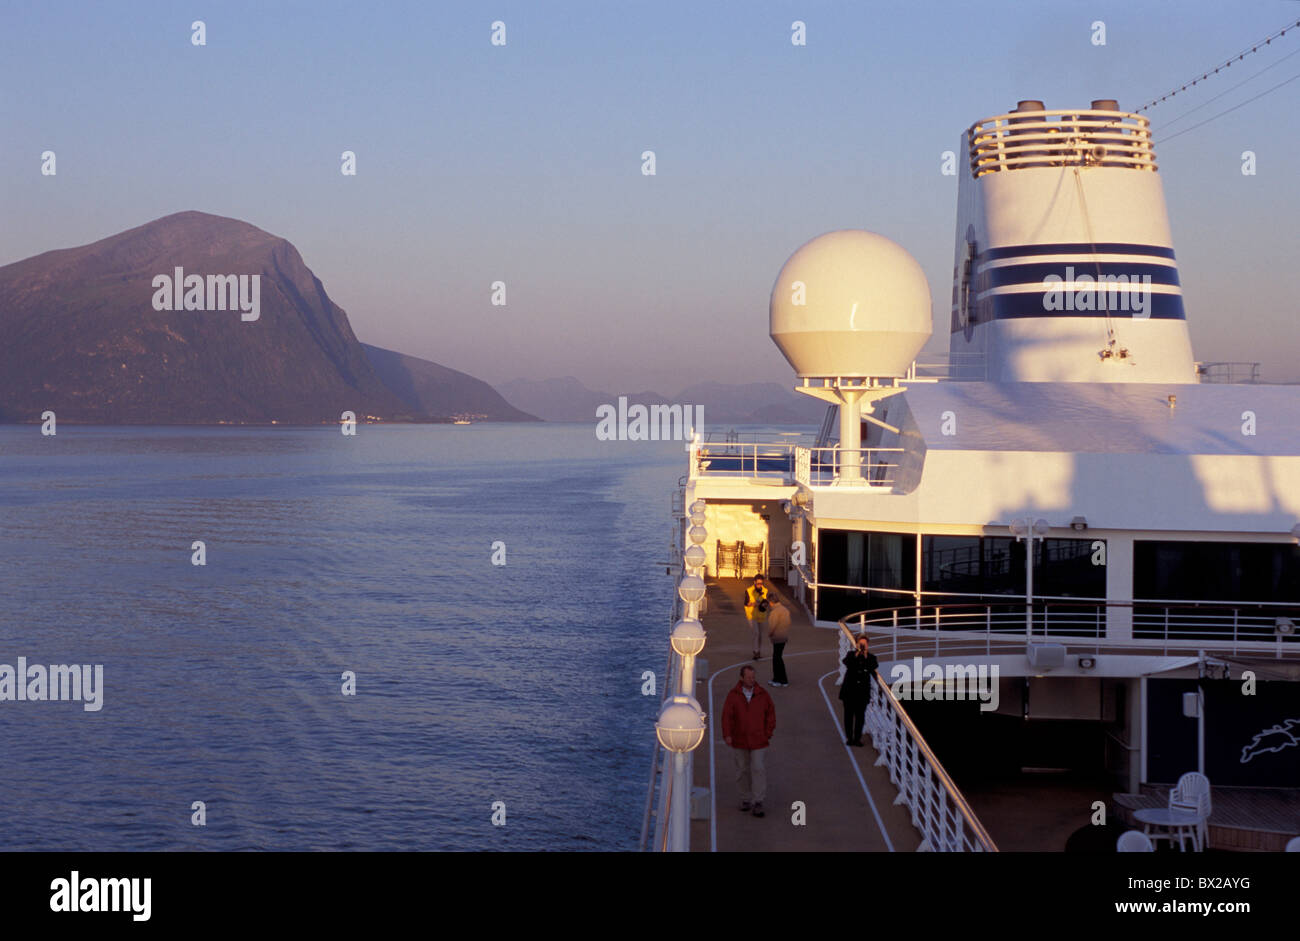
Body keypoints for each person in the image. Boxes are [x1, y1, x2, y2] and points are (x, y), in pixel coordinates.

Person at [721, 665, 776, 817]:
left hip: (759, 740)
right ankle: (745, 799)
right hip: (740, 739)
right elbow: (726, 716)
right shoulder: (733, 695)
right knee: (742, 770)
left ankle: (758, 801)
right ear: (742, 678)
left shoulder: (763, 695)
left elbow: (771, 714)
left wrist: (767, 733)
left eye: (753, 677)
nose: (752, 680)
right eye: (749, 677)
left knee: (758, 768)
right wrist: (727, 734)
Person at [839, 633, 878, 746]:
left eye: (865, 644)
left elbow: (873, 666)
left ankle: (857, 738)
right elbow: (847, 663)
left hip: (862, 693)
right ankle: (849, 738)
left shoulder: (871, 657)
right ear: (856, 644)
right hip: (849, 691)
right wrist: (857, 653)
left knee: (860, 717)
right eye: (861, 644)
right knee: (848, 716)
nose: (863, 646)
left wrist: (865, 655)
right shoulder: (851, 654)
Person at [766, 596, 792, 686]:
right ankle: (783, 680)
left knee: (776, 659)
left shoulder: (775, 612)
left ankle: (778, 679)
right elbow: (789, 622)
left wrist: (769, 634)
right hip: (784, 636)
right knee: (778, 658)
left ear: (771, 602)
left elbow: (772, 626)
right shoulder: (785, 610)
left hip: (777, 637)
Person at [743, 575, 769, 660]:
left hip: (761, 615)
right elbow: (746, 603)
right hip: (751, 615)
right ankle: (755, 651)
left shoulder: (765, 591)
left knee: (760, 635)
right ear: (754, 582)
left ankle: (759, 651)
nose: (759, 585)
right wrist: (755, 604)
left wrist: (763, 604)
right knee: (756, 633)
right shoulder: (748, 591)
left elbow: (766, 603)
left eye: (761, 583)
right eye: (758, 583)